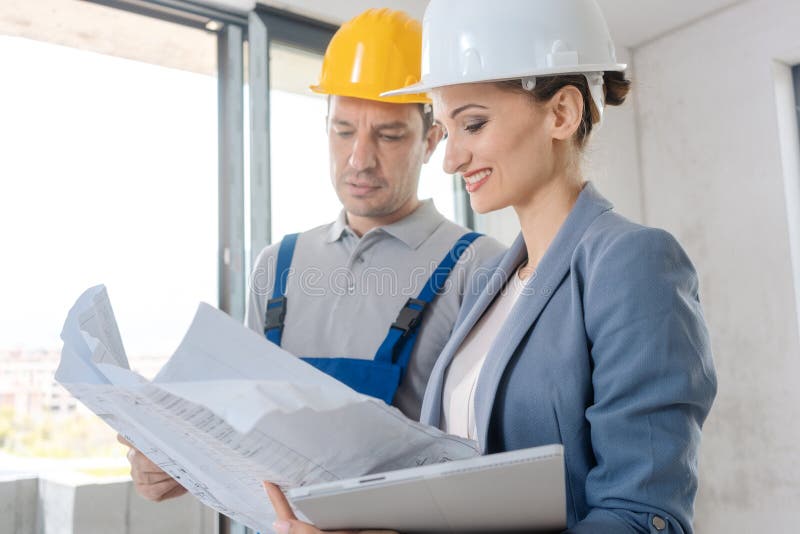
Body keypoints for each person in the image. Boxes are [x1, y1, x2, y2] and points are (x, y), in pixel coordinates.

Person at [265, 1, 717, 533]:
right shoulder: (494, 281)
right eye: (447, 128)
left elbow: (643, 518)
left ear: (561, 113)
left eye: (473, 124)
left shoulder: (632, 262)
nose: (450, 158)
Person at [120, 7, 505, 503]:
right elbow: (247, 434)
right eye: (343, 130)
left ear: (432, 140)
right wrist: (181, 465)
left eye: (388, 135)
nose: (359, 158)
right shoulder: (276, 266)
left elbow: (492, 458)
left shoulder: (482, 268)